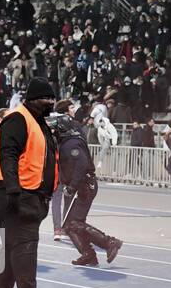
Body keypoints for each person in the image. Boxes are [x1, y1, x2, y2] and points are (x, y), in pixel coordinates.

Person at [0, 77, 59, 288]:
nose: (50, 103)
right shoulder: (18, 119)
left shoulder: (38, 122)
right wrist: (14, 191)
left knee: (10, 247)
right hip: (16, 192)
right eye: (46, 99)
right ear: (33, 100)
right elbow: (8, 155)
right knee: (26, 245)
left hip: (30, 191)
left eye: (52, 98)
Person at [48, 102, 122, 267]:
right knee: (70, 226)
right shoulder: (68, 141)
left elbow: (81, 165)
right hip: (82, 185)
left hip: (85, 185)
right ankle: (88, 254)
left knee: (74, 223)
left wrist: (72, 186)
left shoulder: (71, 144)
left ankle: (109, 242)